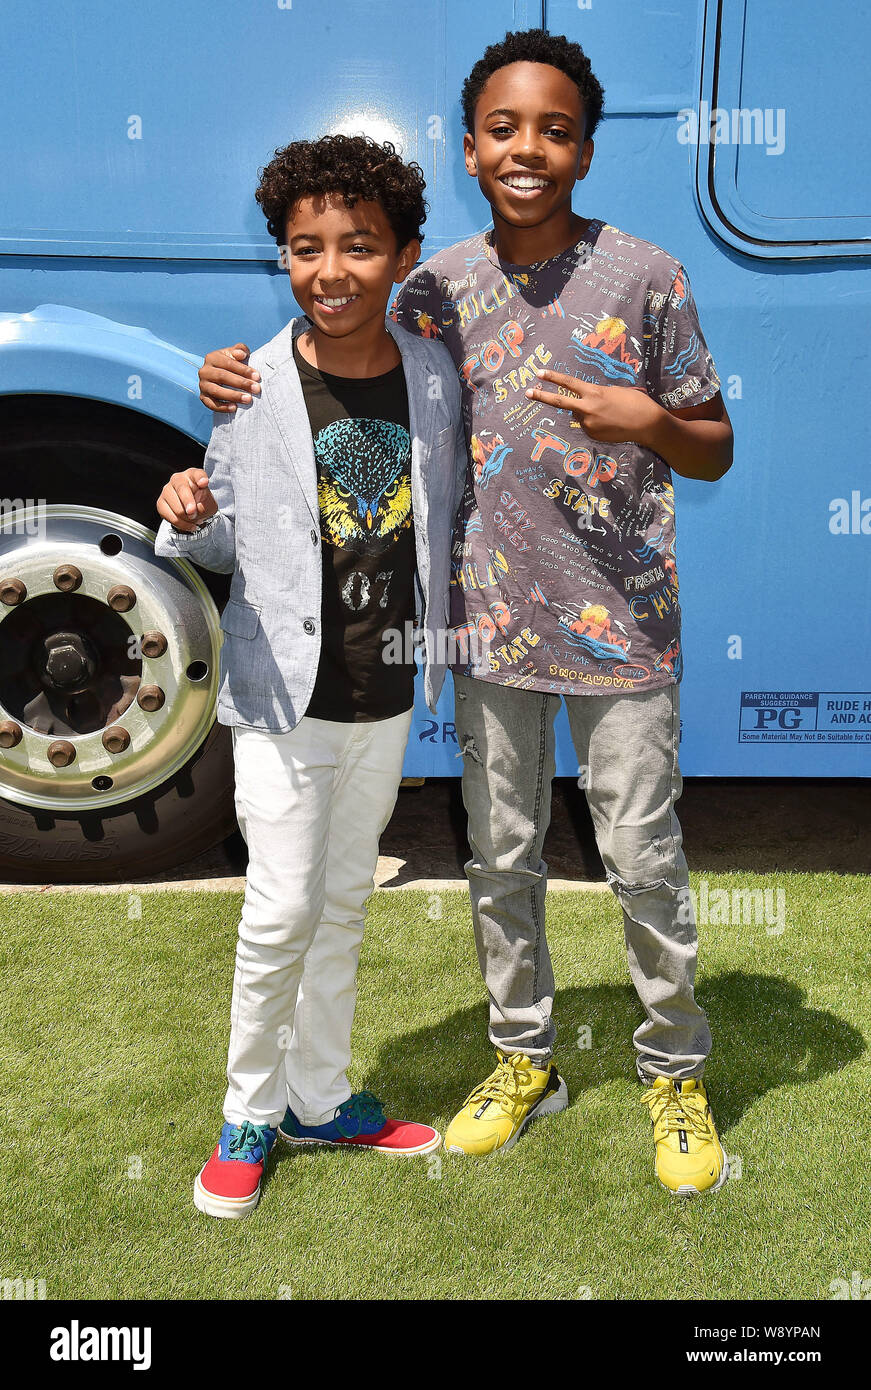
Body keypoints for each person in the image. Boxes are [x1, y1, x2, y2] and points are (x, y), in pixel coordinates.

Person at [195, 29, 735, 1197]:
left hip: (626, 631)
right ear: (472, 145)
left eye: (552, 128)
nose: (526, 147)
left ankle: (673, 1068)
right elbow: (336, 362)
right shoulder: (433, 286)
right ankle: (519, 1055)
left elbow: (715, 449)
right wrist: (229, 383)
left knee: (642, 856)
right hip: (484, 630)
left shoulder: (648, 277)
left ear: (586, 150)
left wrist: (645, 420)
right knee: (500, 856)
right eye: (502, 127)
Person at [154, 134, 466, 1218]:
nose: (330, 271)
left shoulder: (433, 376)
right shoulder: (247, 385)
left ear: (403, 254)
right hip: (281, 700)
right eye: (303, 248)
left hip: (384, 696)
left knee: (341, 901)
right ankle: (247, 1109)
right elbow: (229, 545)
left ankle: (319, 1096)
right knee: (280, 907)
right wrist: (185, 512)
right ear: (281, 255)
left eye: (359, 247)